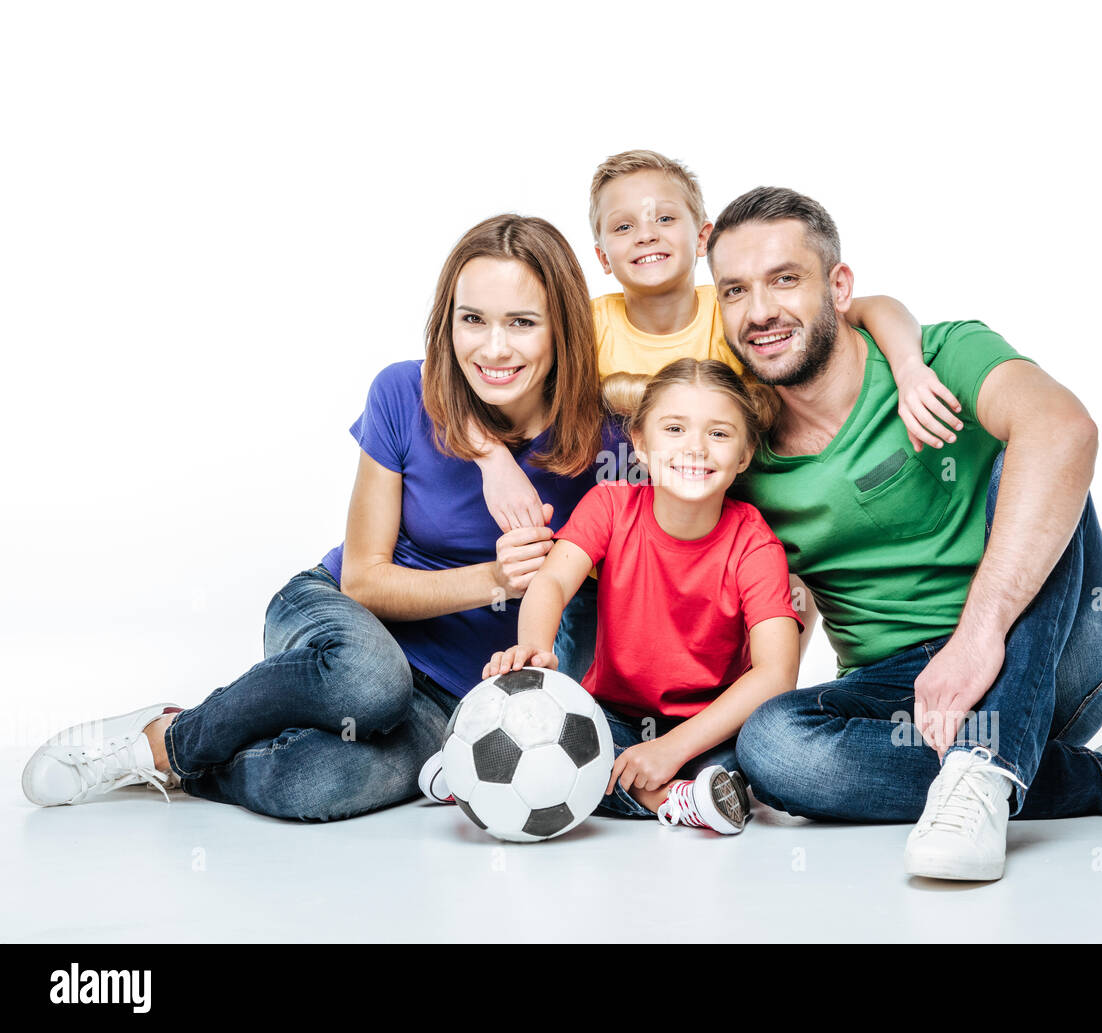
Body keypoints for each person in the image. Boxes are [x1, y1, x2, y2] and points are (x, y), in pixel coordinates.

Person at [707, 186, 1102, 880]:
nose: (760, 312)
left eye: (785, 279)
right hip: (902, 693)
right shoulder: (738, 448)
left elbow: (1066, 430)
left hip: (1048, 652)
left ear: (838, 286)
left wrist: (978, 635)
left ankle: (984, 768)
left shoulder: (940, 355)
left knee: (1032, 453)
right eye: (734, 290)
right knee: (776, 746)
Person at [21, 214, 622, 822]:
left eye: (521, 322)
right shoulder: (402, 394)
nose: (493, 348)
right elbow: (363, 579)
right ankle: (164, 742)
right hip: (336, 617)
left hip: (449, 694)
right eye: (473, 320)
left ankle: (214, 752)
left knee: (311, 782)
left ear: (562, 329)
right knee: (369, 682)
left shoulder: (608, 441)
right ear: (448, 323)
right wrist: (496, 569)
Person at [467, 150, 961, 684]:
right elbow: (454, 377)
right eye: (624, 225)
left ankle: (759, 712)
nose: (646, 235)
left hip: (725, 520)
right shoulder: (587, 328)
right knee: (585, 683)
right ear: (603, 255)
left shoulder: (732, 309)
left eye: (665, 218)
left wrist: (910, 367)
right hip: (616, 542)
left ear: (702, 238)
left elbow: (868, 306)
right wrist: (494, 460)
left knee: (759, 624)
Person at [469, 358, 804, 834]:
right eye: (674, 428)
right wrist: (536, 651)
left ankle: (661, 787)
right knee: (552, 735)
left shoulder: (754, 544)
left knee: (750, 759)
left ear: (745, 456)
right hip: (612, 717)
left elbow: (776, 673)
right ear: (642, 445)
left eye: (720, 434)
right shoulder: (610, 504)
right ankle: (671, 799)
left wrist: (673, 748)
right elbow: (552, 581)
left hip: (709, 726)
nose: (695, 448)